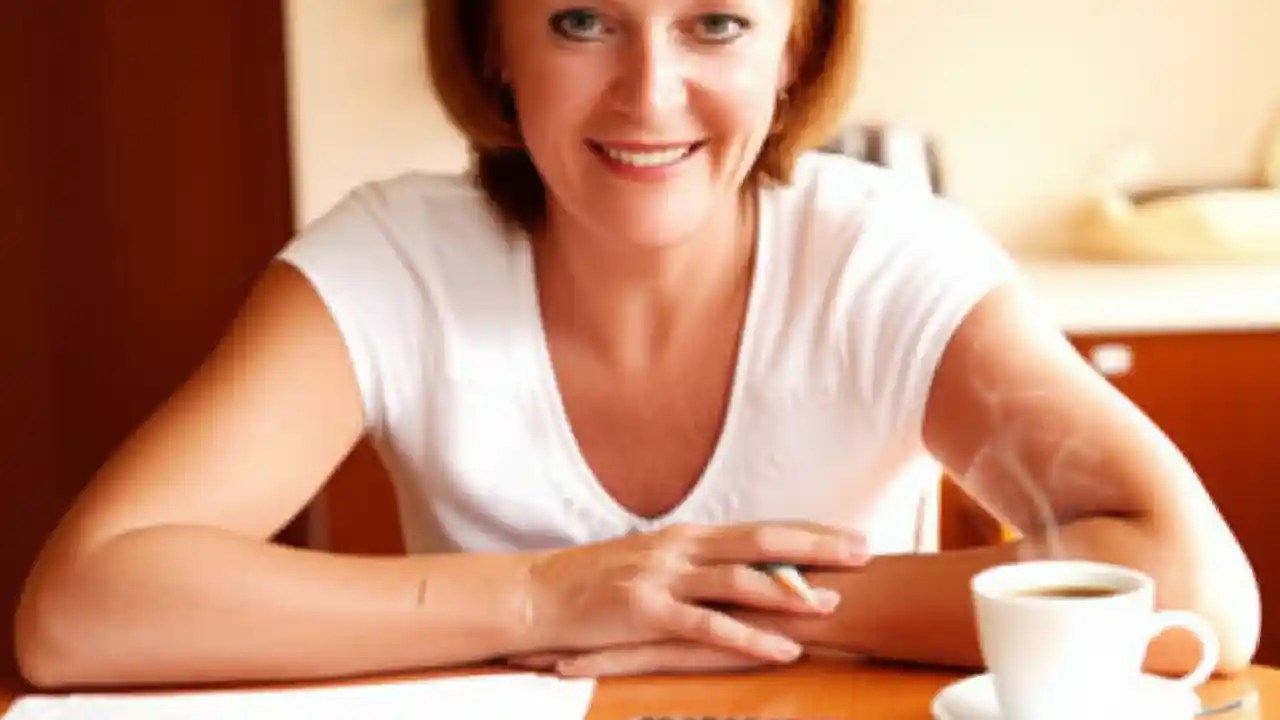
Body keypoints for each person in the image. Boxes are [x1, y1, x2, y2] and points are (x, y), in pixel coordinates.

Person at [15, 0, 1259, 687]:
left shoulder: (881, 256)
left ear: (797, 46)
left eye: (713, 23)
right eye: (579, 20)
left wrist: (720, 604)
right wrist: (547, 593)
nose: (648, 94)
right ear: (492, 42)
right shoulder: (391, 261)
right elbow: (82, 609)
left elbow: (1195, 591)